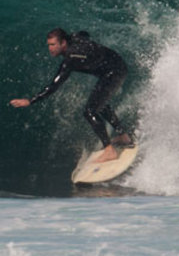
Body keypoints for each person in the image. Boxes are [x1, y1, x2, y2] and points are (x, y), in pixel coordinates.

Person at [10, 28, 135, 162]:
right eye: (49, 45)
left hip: (114, 72)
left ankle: (109, 150)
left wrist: (31, 101)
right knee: (100, 105)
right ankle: (124, 137)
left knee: (89, 111)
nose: (50, 49)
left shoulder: (71, 59)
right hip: (115, 67)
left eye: (53, 45)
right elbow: (85, 34)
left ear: (63, 43)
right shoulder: (75, 39)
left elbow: (53, 86)